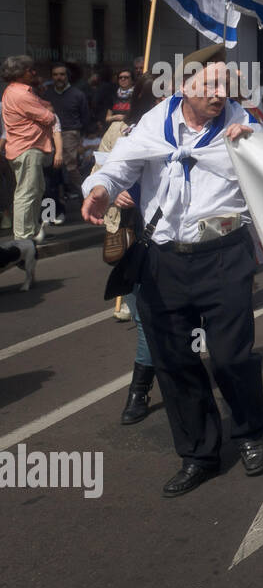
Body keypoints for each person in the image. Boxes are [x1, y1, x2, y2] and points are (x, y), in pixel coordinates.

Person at [81, 50, 263, 497]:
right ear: (183, 87)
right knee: (174, 359)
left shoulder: (245, 125)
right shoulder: (151, 127)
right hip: (164, 258)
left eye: (226, 86)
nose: (220, 95)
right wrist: (100, 191)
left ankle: (248, 433)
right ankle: (198, 454)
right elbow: (119, 165)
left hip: (224, 255)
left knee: (230, 356)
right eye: (210, 86)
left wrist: (254, 144)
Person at [93, 76, 160, 422]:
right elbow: (97, 172)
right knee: (144, 317)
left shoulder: (182, 131)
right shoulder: (120, 131)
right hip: (131, 236)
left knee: (181, 322)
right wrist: (108, 187)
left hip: (173, 239)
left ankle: (184, 380)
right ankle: (139, 390)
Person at [1, 55, 57, 288]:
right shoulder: (21, 94)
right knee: (27, 193)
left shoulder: (17, 92)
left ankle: (28, 234)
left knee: (34, 190)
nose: (34, 73)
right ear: (21, 72)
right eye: (31, 70)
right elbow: (49, 117)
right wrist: (46, 109)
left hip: (25, 148)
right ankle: (23, 239)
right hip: (27, 148)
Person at [45, 64, 91, 211]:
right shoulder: (47, 95)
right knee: (52, 170)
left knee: (71, 168)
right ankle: (58, 205)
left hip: (70, 133)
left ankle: (86, 199)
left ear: (67, 76)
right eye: (55, 74)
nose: (58, 77)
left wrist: (81, 139)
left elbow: (85, 117)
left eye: (62, 74)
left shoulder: (77, 94)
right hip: (50, 134)